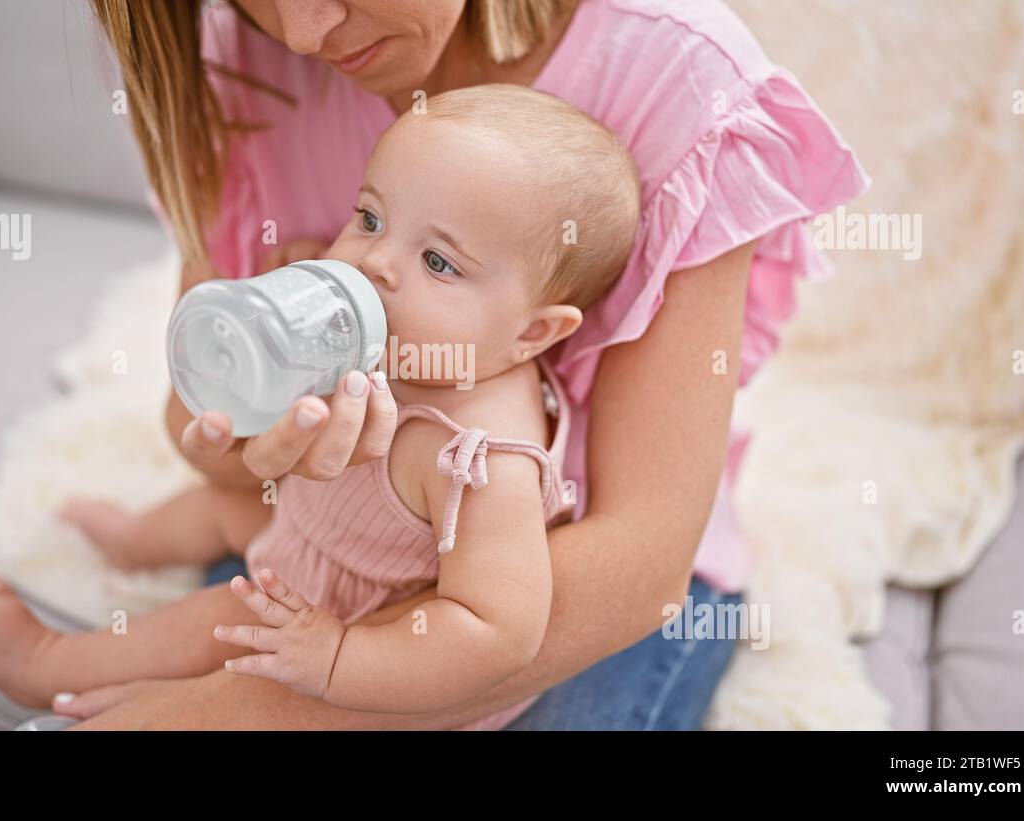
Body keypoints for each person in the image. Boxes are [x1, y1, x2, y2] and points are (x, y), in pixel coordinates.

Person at [51, 0, 870, 729]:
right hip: (338, 536)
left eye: (441, 262)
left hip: (578, 580)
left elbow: (637, 559)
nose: (301, 31)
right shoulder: (240, 52)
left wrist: (258, 708)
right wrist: (243, 441)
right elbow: (197, 422)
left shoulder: (682, 78)